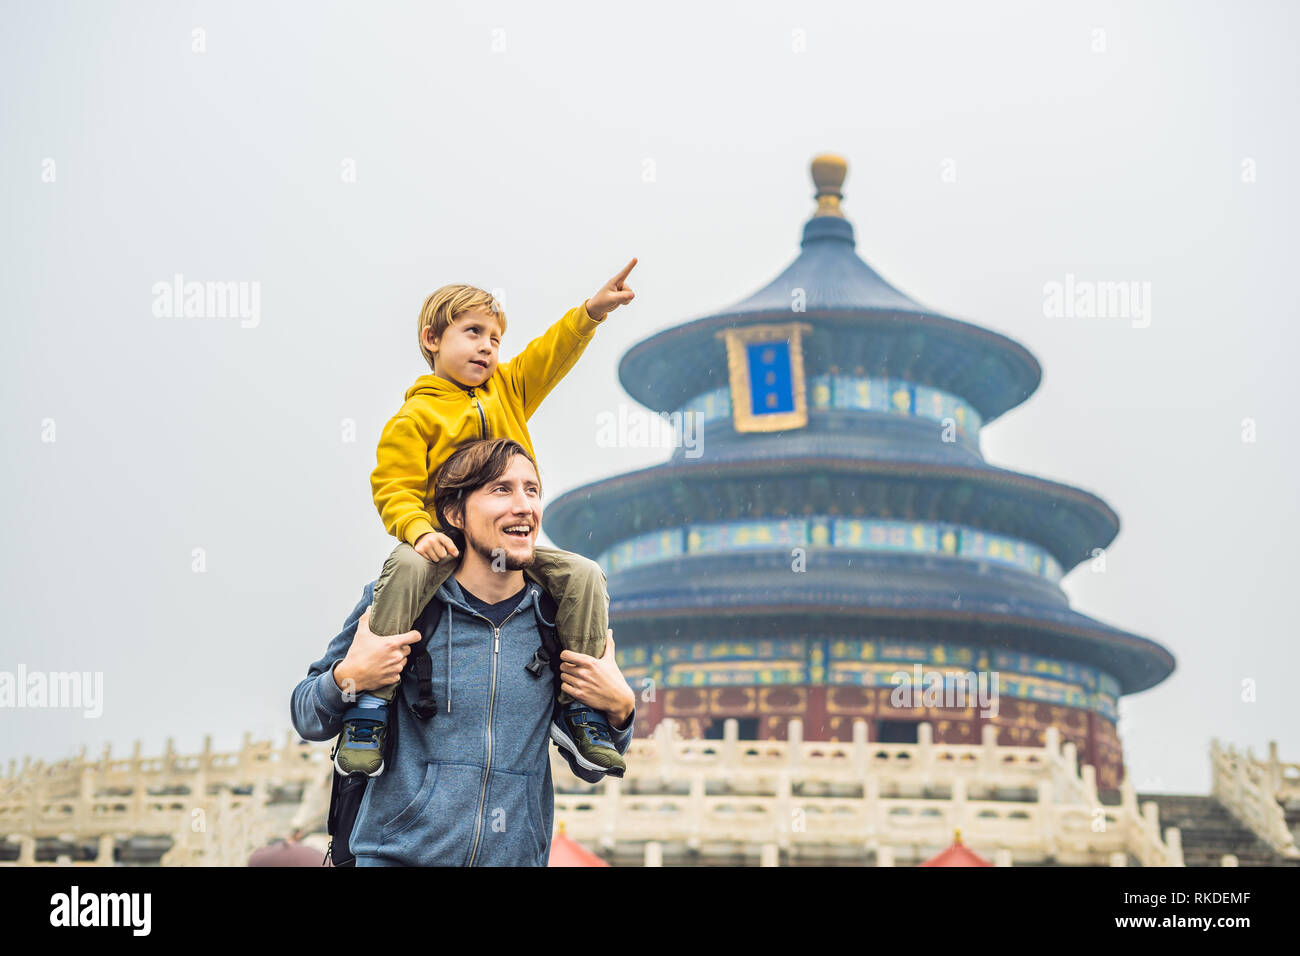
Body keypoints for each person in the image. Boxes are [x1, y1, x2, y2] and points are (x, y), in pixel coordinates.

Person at [338, 260, 638, 780]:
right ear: (432, 339)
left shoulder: (509, 391)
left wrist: (591, 312)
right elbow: (394, 487)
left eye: (496, 339)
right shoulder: (414, 418)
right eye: (473, 333)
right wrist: (419, 531)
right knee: (406, 569)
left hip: (505, 544)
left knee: (584, 574)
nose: (487, 348)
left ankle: (582, 707)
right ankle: (369, 706)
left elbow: (551, 353)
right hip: (439, 543)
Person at [289, 438, 636, 866]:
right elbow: (307, 716)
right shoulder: (409, 605)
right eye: (501, 490)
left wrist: (620, 712)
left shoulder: (555, 620)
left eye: (532, 489)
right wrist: (348, 679)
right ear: (456, 514)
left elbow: (591, 769)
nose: (524, 505)